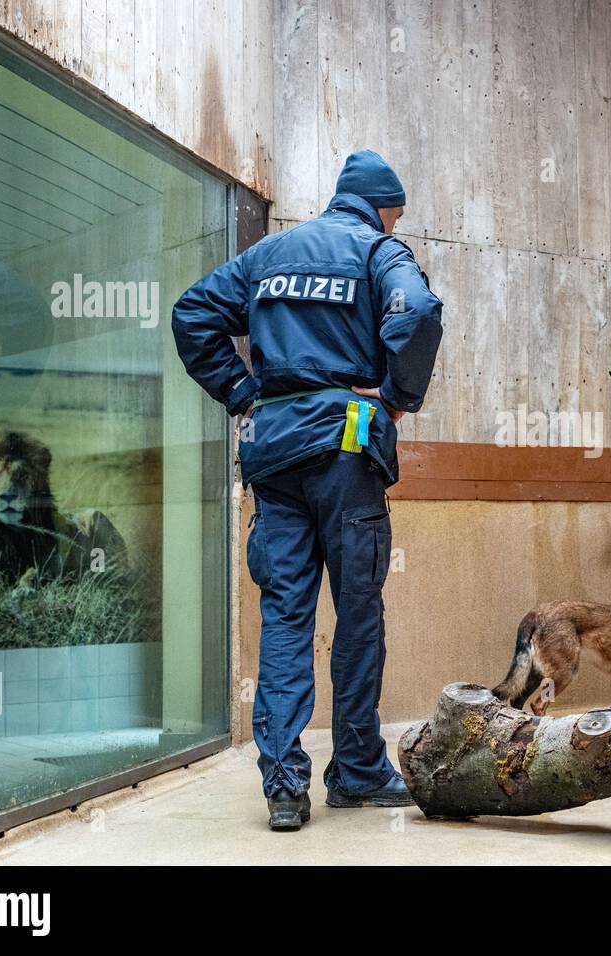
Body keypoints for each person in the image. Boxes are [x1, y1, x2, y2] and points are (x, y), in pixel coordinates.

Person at [172, 149, 443, 830]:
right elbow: (418, 314)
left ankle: (285, 787)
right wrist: (396, 395)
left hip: (274, 450)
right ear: (383, 206)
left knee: (286, 615)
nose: (395, 222)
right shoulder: (379, 252)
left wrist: (242, 395)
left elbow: (191, 315)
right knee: (356, 614)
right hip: (345, 450)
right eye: (396, 212)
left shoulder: (269, 254)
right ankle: (354, 772)